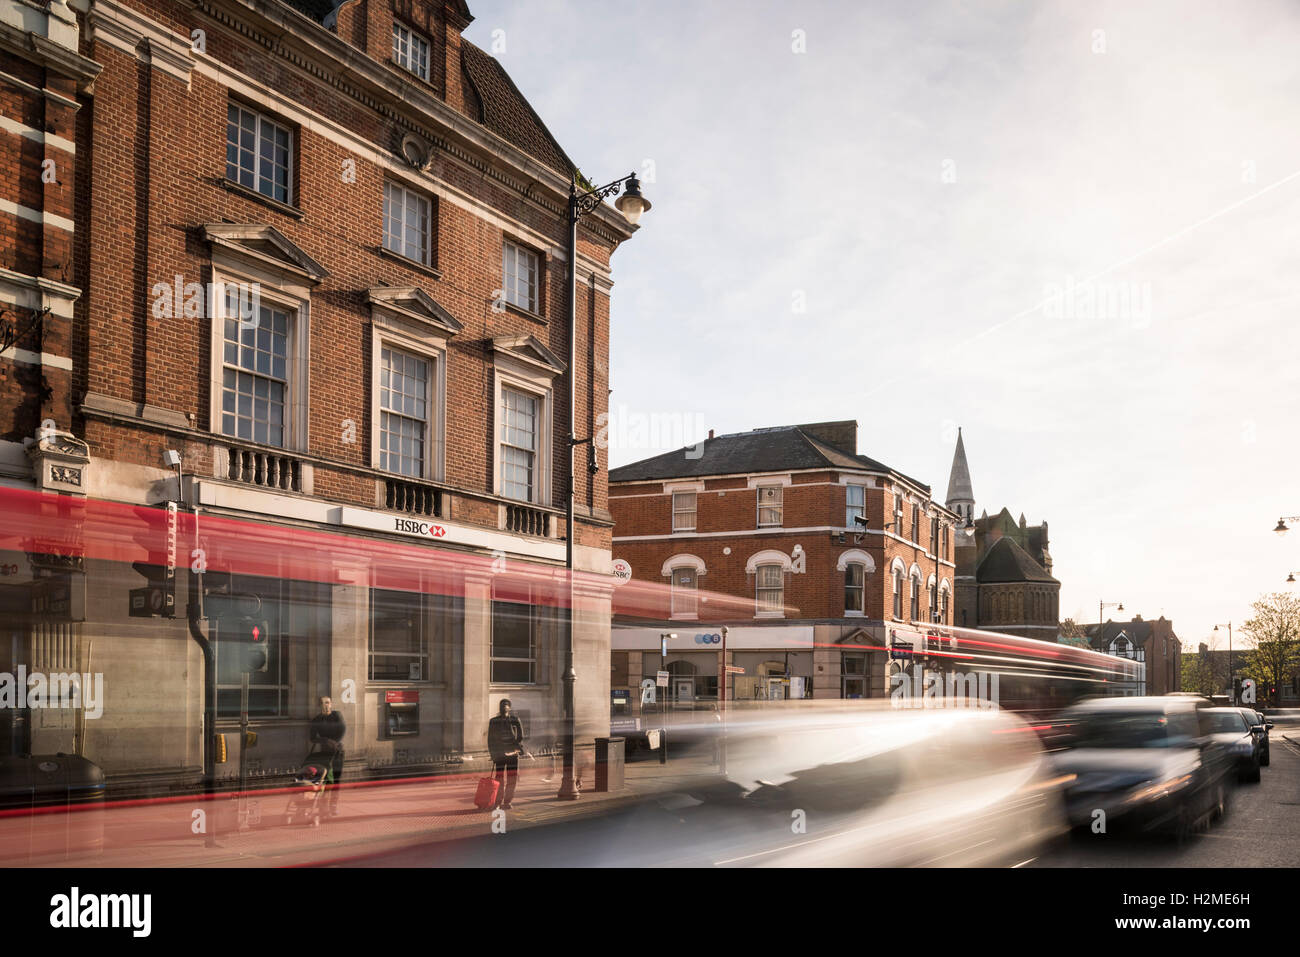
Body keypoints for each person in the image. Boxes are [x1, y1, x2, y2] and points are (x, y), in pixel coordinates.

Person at [486, 699, 529, 810]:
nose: (504, 707)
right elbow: (490, 740)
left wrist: (516, 748)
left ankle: (507, 801)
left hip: (512, 754)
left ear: (509, 708)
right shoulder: (493, 721)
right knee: (499, 778)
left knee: (511, 779)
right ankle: (498, 801)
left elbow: (520, 737)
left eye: (506, 705)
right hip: (500, 754)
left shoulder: (515, 720)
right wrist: (493, 754)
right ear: (499, 708)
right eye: (502, 705)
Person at [309, 695, 345, 817]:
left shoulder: (337, 715)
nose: (326, 705)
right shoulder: (316, 720)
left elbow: (342, 729)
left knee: (336, 779)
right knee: (326, 779)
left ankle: (333, 805)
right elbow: (312, 738)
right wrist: (325, 741)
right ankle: (323, 806)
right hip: (325, 753)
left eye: (328, 702)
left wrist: (334, 742)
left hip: (338, 752)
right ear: (319, 705)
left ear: (331, 703)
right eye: (323, 703)